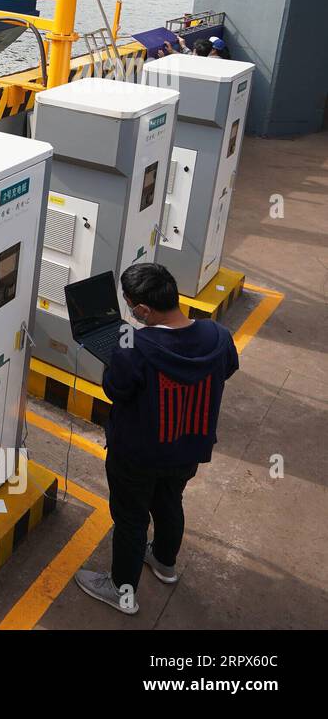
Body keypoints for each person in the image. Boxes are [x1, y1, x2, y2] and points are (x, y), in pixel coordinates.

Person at [76, 263, 239, 615]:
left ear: (143, 310)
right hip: (188, 449)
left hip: (137, 453)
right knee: (169, 503)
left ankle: (122, 591)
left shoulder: (135, 345)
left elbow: (116, 390)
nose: (131, 312)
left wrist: (115, 357)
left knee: (131, 519)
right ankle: (164, 563)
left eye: (130, 305)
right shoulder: (218, 336)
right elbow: (225, 368)